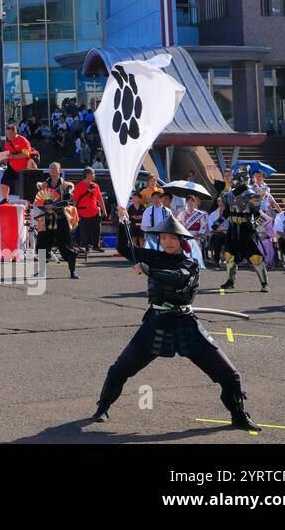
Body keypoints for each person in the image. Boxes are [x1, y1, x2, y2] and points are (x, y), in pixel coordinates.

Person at [91, 210, 259, 432]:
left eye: (172, 238)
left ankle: (238, 416)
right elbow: (125, 249)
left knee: (230, 376)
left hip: (186, 323)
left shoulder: (189, 263)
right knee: (119, 369)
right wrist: (122, 221)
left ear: (181, 239)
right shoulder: (153, 256)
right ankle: (102, 407)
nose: (167, 242)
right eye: (163, 238)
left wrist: (148, 269)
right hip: (155, 323)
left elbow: (178, 279)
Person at [220, 168, 269, 292]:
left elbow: (262, 216)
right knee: (229, 255)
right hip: (232, 229)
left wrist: (254, 225)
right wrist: (217, 223)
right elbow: (226, 212)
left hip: (246, 230)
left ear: (242, 180)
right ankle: (230, 281)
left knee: (255, 257)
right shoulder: (229, 194)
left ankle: (264, 283)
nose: (232, 180)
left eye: (235, 178)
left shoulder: (252, 195)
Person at [33, 162, 80, 279]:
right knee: (42, 245)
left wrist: (55, 206)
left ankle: (72, 271)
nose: (53, 170)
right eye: (51, 168)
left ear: (60, 170)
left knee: (66, 246)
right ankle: (41, 271)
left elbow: (68, 200)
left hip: (61, 219)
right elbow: (38, 201)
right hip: (46, 220)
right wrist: (45, 207)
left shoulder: (66, 185)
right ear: (49, 171)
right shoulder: (43, 185)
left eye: (55, 168)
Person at [72, 168, 107, 250]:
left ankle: (96, 246)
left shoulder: (95, 186)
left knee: (97, 230)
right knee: (84, 231)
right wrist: (74, 213)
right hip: (83, 213)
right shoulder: (79, 186)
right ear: (88, 174)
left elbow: (100, 199)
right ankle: (86, 247)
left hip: (95, 211)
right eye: (93, 173)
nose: (94, 175)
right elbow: (75, 201)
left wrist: (104, 210)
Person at [0, 123, 33, 201]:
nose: (8, 136)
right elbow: (8, 156)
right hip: (13, 168)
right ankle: (5, 199)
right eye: (7, 134)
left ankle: (28, 205)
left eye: (10, 134)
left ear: (15, 132)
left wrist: (13, 156)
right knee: (3, 181)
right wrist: (3, 158)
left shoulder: (23, 140)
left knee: (26, 188)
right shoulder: (7, 143)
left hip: (25, 169)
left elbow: (26, 154)